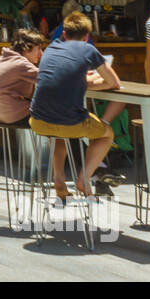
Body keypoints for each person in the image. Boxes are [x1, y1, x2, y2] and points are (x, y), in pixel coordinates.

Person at [29, 12, 120, 198]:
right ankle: (84, 178)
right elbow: (114, 83)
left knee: (58, 135)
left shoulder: (51, 48)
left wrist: (81, 82)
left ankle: (59, 178)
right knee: (107, 134)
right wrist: (90, 83)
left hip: (38, 121)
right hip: (71, 122)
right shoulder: (88, 49)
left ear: (64, 34)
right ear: (86, 36)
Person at [0, 29, 47, 126]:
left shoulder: (6, 59)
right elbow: (49, 79)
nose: (42, 53)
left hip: (2, 116)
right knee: (60, 115)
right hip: (16, 116)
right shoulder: (20, 64)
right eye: (39, 48)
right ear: (27, 48)